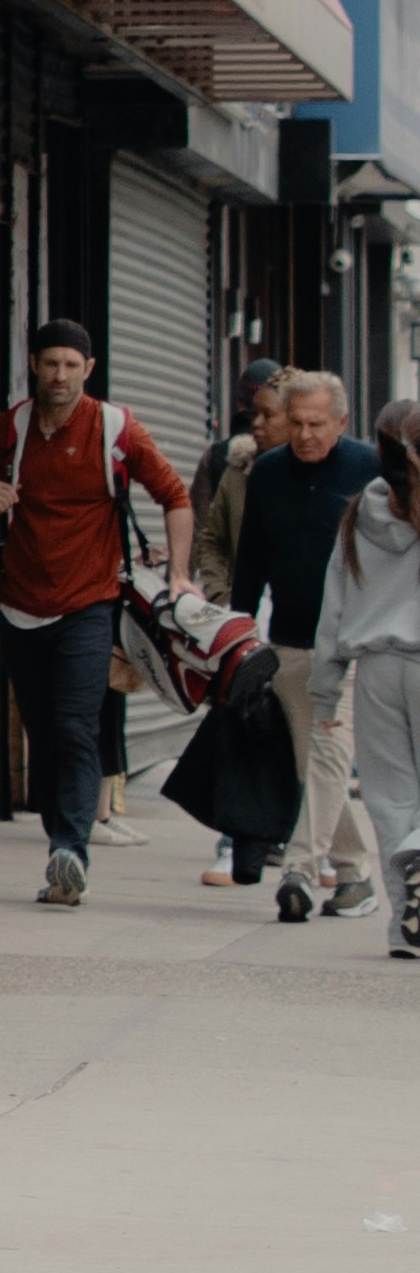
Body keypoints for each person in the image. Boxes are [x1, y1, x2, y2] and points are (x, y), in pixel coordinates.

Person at [0, 325, 191, 904]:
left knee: (75, 726)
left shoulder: (116, 429)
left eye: (71, 365)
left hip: (90, 602)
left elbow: (175, 496)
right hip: (19, 605)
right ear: (33, 364)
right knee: (42, 732)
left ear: (89, 367)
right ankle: (60, 848)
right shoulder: (8, 429)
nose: (60, 376)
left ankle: (70, 850)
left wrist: (180, 575)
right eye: (50, 364)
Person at [227, 368, 376, 925]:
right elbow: (252, 559)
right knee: (308, 762)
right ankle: (357, 876)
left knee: (330, 752)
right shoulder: (266, 473)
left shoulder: (370, 470)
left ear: (341, 421)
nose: (307, 434)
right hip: (289, 638)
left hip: (350, 642)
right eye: (298, 423)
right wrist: (239, 632)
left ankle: (300, 870)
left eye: (318, 424)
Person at [192, 366, 293, 883]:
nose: (256, 424)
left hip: (301, 628)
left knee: (298, 739)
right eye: (254, 413)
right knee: (240, 726)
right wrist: (217, 591)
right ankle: (236, 842)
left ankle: (318, 850)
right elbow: (210, 538)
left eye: (267, 415)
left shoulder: (322, 474)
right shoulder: (237, 472)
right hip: (243, 622)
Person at [336, 409, 420, 967]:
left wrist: (323, 688)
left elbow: (333, 601)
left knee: (388, 797)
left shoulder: (358, 515)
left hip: (376, 669)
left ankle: (404, 924)